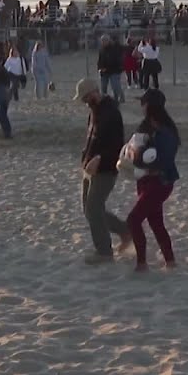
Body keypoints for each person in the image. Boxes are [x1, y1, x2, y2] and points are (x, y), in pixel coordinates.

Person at [75, 77, 132, 265]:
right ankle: (125, 231)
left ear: (94, 93)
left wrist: (99, 159)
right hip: (90, 168)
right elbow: (91, 138)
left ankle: (104, 252)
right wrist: (85, 158)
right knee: (90, 210)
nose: (84, 102)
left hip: (105, 169)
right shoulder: (94, 112)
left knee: (93, 208)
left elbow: (117, 146)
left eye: (85, 98)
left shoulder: (111, 113)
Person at [125, 88, 180, 272]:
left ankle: (141, 264)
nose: (141, 107)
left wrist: (140, 158)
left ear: (149, 105)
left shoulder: (165, 131)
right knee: (155, 222)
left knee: (133, 220)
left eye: (143, 103)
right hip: (146, 181)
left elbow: (163, 160)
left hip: (159, 182)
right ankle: (170, 261)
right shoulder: (147, 126)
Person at [97, 35, 125, 103]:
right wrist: (99, 68)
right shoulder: (101, 49)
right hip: (104, 72)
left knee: (115, 86)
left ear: (108, 41)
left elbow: (115, 61)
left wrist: (107, 68)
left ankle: (119, 97)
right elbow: (100, 60)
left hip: (114, 71)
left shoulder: (114, 49)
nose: (103, 42)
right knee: (103, 87)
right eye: (102, 41)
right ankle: (104, 100)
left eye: (104, 41)